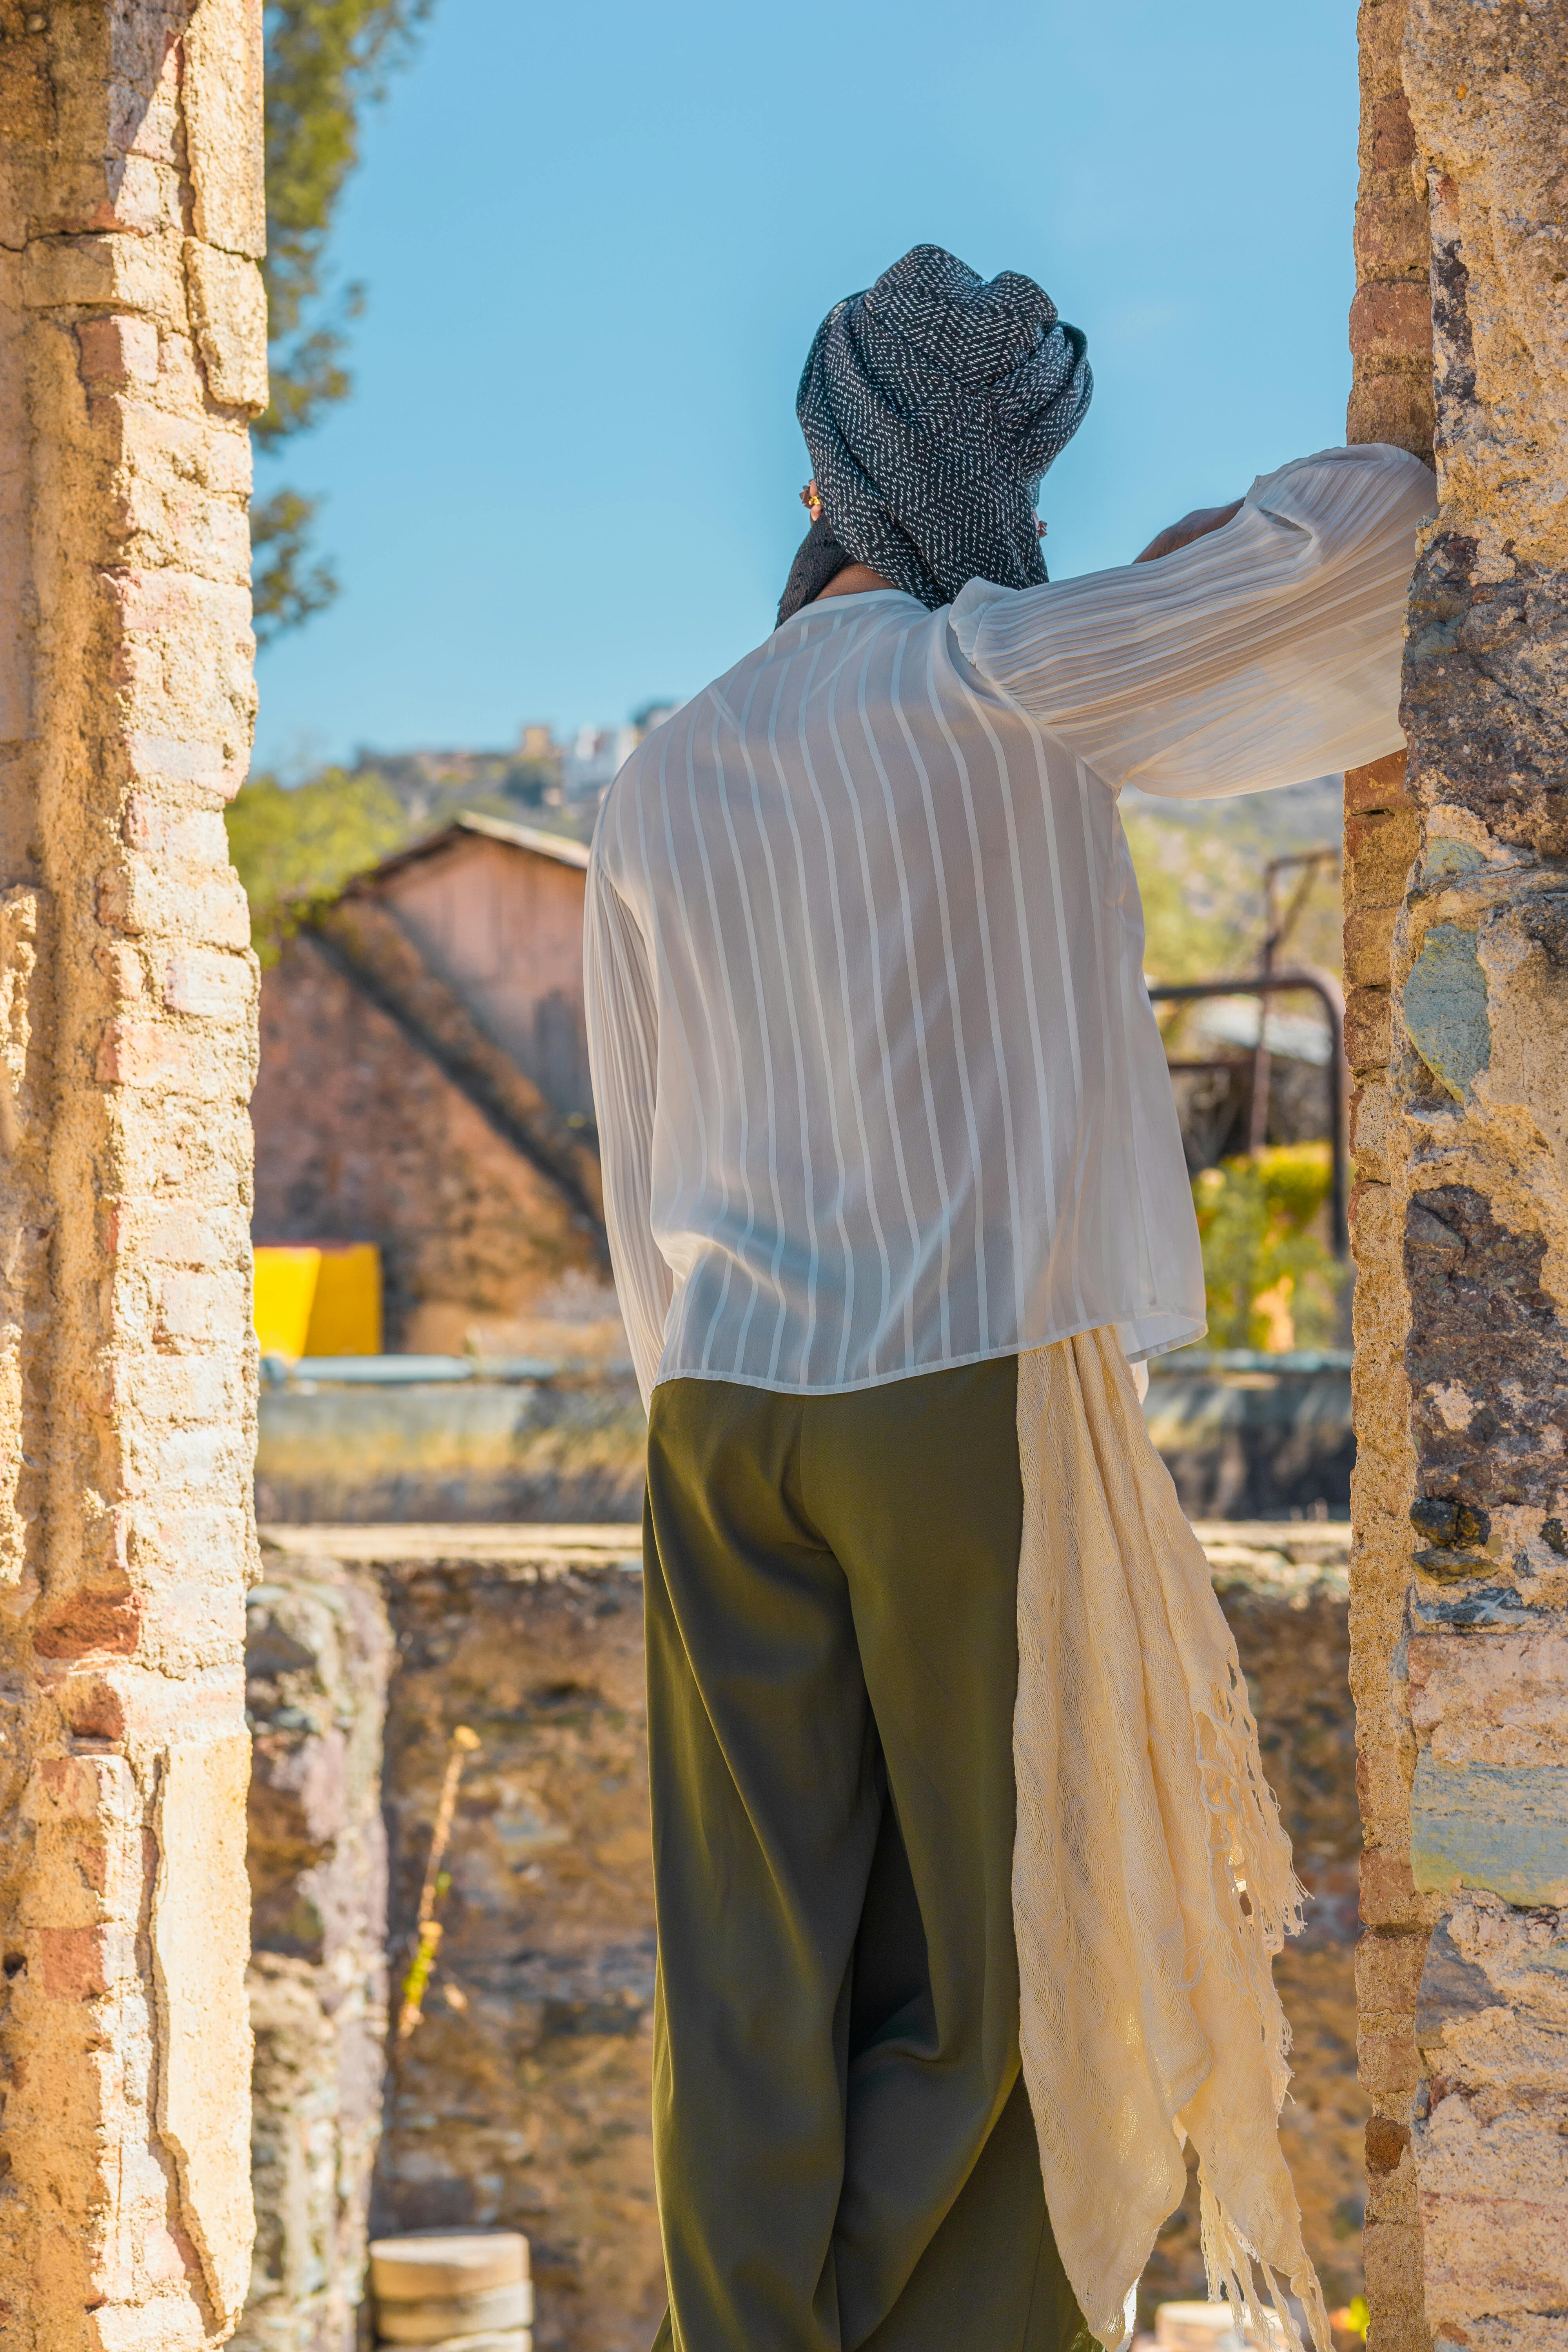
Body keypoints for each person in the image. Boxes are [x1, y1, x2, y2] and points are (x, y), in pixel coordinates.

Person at [584, 245, 1434, 2352]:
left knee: (752, 1955)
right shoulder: (1008, 672)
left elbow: (630, 1126)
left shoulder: (666, 767)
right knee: (1006, 1943)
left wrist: (684, 1391)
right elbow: (1373, 536)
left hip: (714, 1413)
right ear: (973, 463)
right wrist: (1163, 560)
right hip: (957, 1396)